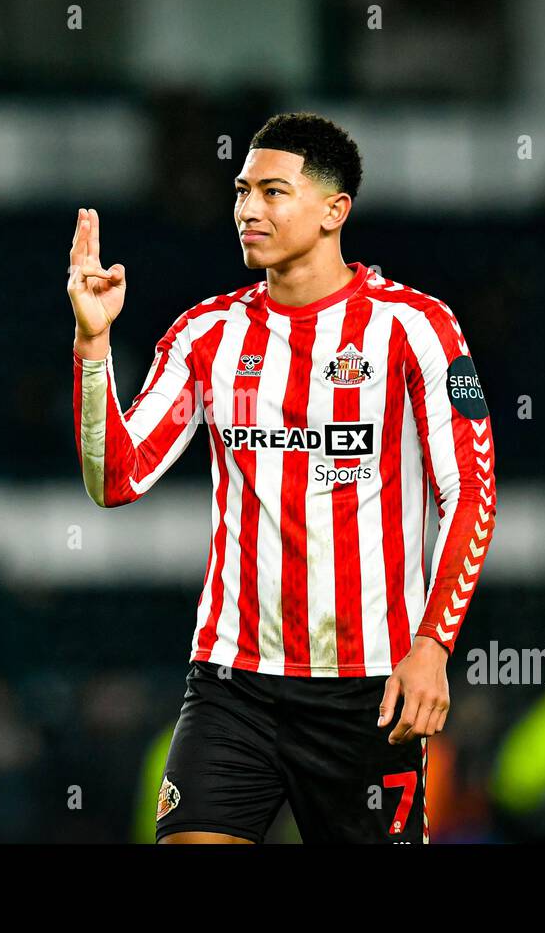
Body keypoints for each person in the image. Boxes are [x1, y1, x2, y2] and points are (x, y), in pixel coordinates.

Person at [68, 112, 495, 843]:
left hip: (370, 691)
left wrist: (432, 646)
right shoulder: (206, 334)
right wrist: (93, 342)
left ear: (335, 211)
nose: (248, 210)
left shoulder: (415, 328)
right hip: (234, 683)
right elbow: (116, 478)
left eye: (273, 192)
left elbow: (470, 492)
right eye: (242, 191)